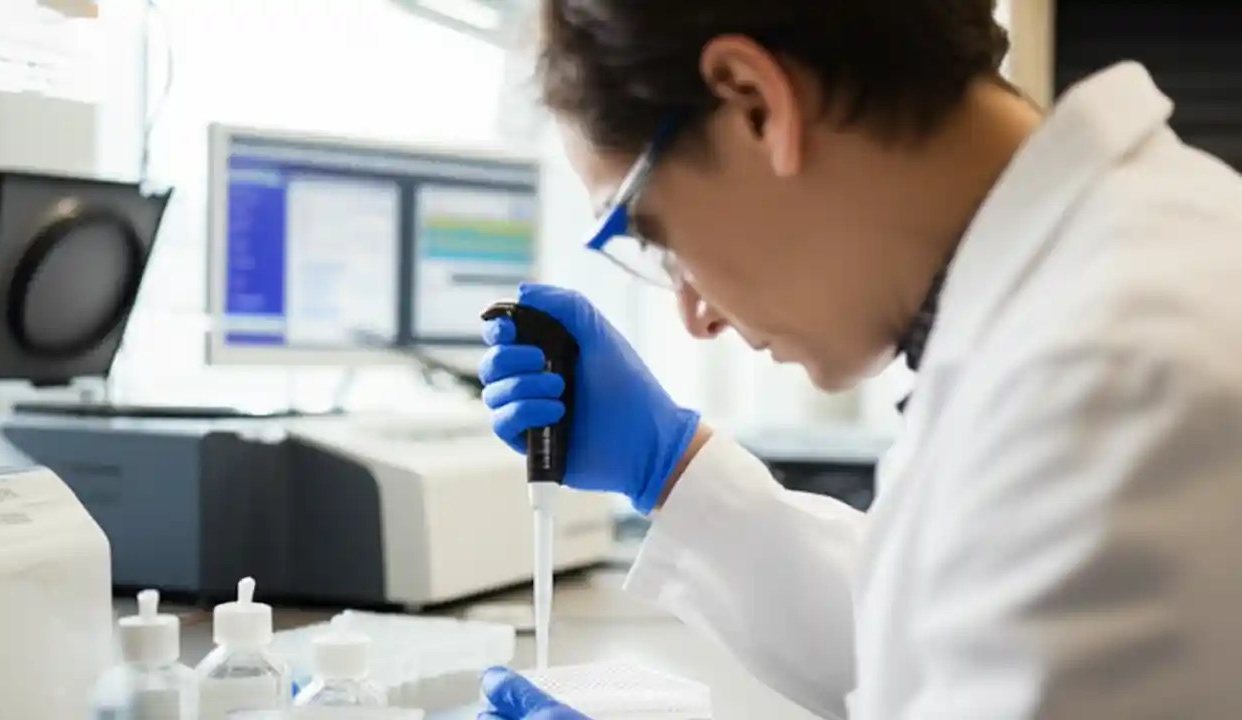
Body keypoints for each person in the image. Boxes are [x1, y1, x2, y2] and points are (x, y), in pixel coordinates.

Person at [477, 1, 1242, 718]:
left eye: (654, 235)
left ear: (756, 105)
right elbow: (938, 638)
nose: (696, 314)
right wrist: (670, 468)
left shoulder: (1116, 370)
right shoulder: (1078, 291)